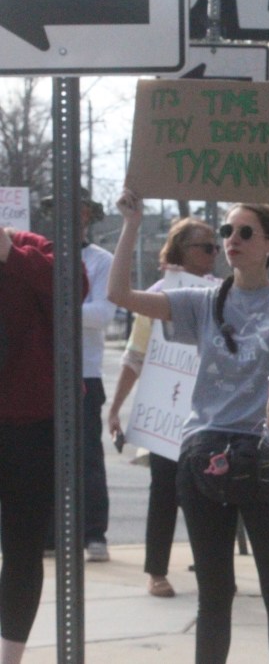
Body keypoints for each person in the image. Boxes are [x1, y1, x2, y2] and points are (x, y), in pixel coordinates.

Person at [108, 192, 269, 664]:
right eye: (227, 232)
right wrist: (131, 223)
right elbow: (119, 296)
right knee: (215, 592)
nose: (232, 240)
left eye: (246, 232)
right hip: (203, 456)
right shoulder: (201, 301)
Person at [107, 217, 219, 598]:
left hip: (210, 415)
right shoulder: (158, 295)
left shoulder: (223, 293)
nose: (214, 253)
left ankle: (212, 569)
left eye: (214, 247)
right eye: (205, 247)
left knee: (211, 493)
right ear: (180, 251)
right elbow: (136, 355)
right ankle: (157, 570)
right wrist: (116, 408)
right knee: (165, 492)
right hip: (168, 415)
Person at [0, 228, 87, 664]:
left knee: (21, 545)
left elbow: (77, 286)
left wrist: (10, 254)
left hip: (28, 425)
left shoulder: (32, 246)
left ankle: (8, 655)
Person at [46, 188, 117, 562]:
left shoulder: (101, 260)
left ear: (88, 216)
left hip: (85, 373)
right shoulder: (38, 255)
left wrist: (54, 306)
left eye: (78, 211)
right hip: (42, 373)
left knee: (87, 454)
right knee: (42, 454)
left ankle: (94, 534)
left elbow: (102, 314)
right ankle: (47, 533)